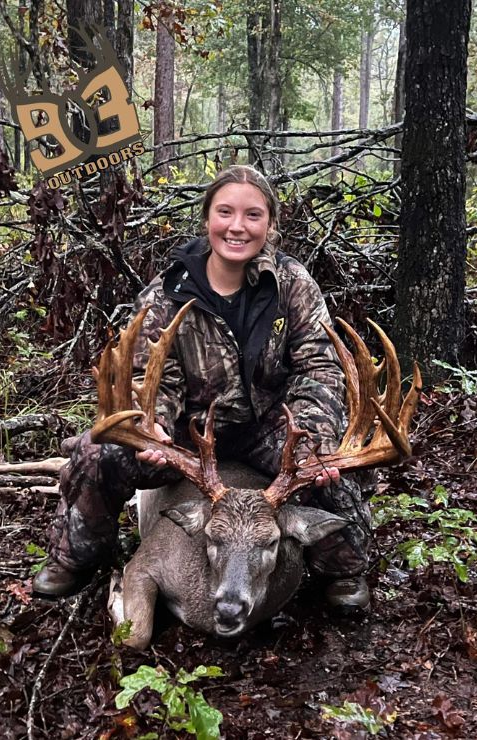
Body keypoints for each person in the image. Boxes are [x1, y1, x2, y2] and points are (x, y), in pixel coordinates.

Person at [33, 164, 373, 611]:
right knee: (98, 452)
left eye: (253, 215)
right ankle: (76, 557)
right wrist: (151, 423)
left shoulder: (292, 285)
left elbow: (320, 368)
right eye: (225, 212)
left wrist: (309, 439)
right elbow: (149, 375)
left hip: (268, 428)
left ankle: (340, 571)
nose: (237, 226)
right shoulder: (168, 292)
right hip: (187, 433)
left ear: (269, 223)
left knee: (333, 471)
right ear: (207, 217)